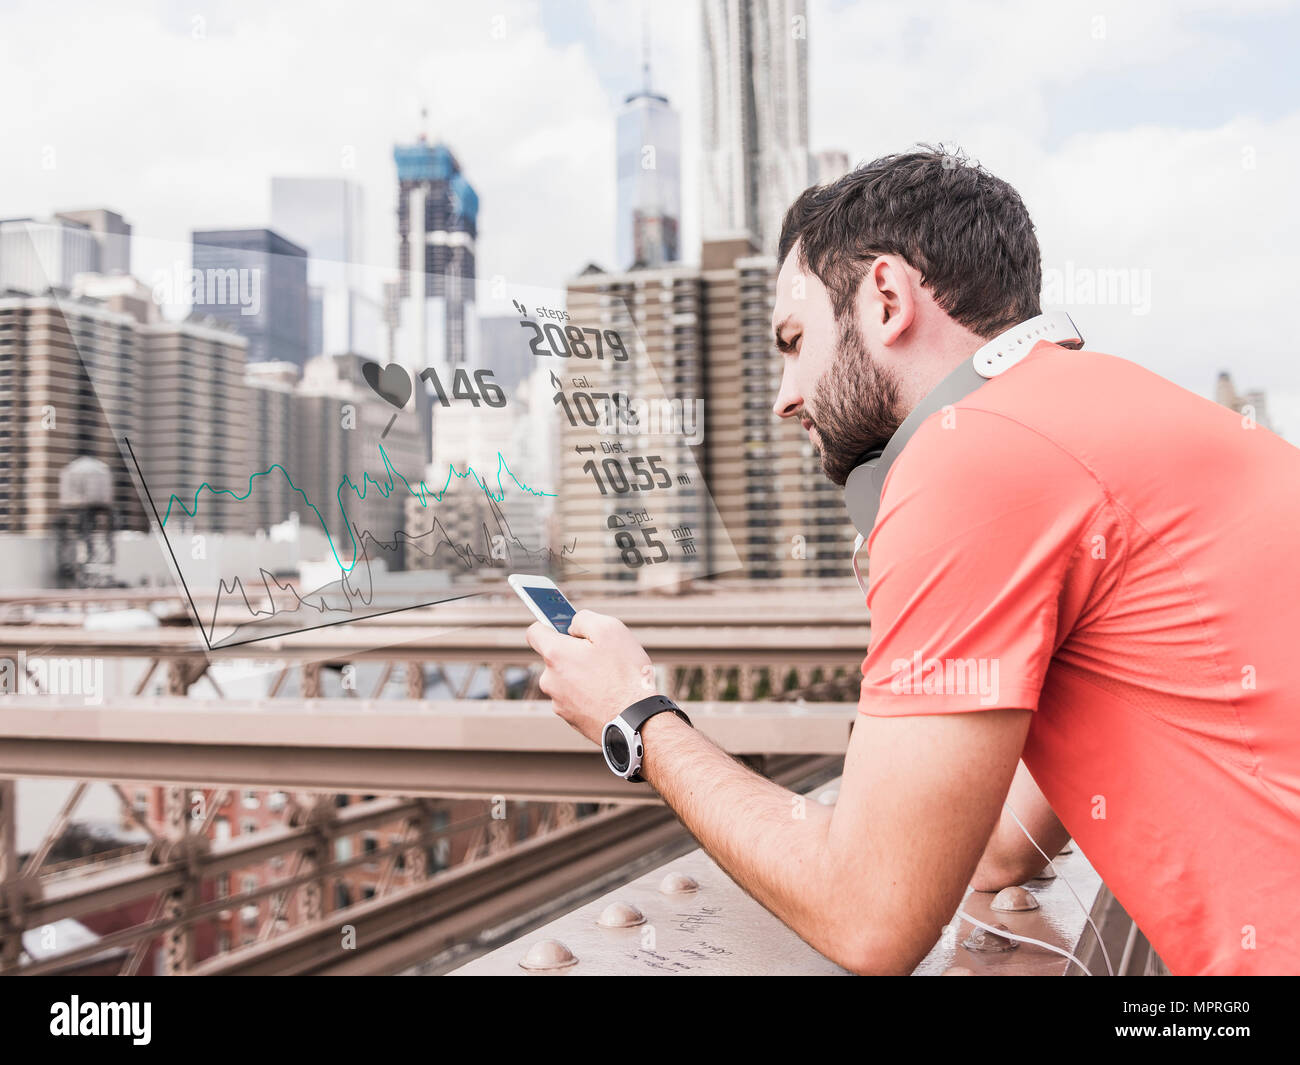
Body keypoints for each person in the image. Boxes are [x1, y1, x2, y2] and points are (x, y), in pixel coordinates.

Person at [524, 147, 1300, 976]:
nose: (785, 395)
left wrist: (634, 715)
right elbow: (1004, 849)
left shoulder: (976, 457)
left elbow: (870, 918)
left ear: (887, 299)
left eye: (794, 342)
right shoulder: (1125, 408)